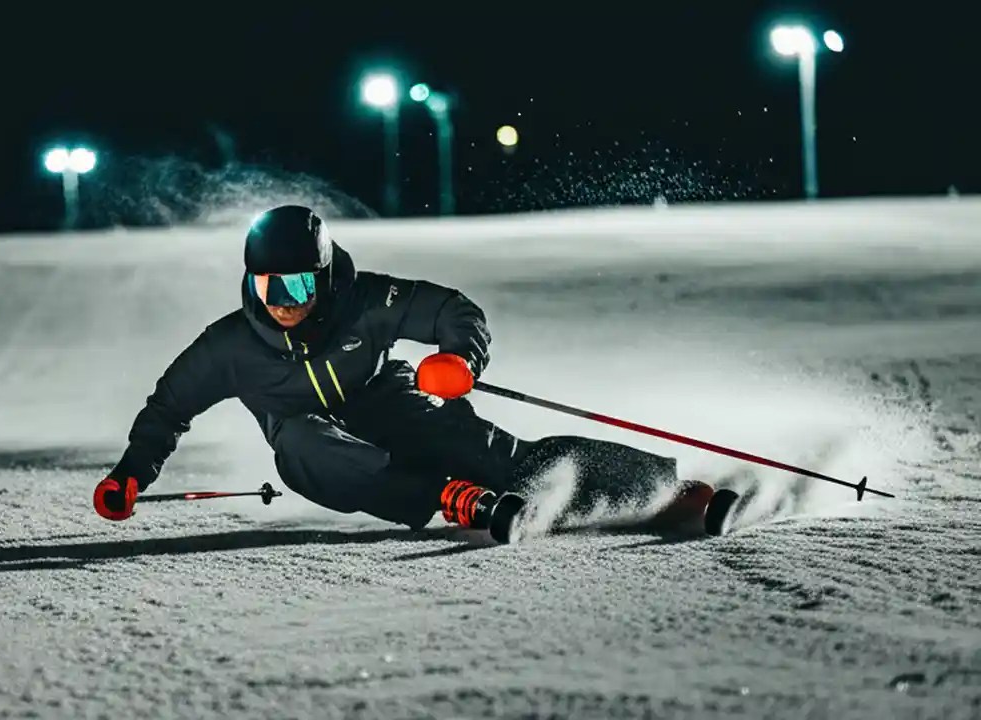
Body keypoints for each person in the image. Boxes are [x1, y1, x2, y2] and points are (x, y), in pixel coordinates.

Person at [93, 204, 681, 532]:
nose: (283, 298)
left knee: (501, 457)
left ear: (323, 278)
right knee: (301, 441)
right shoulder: (229, 346)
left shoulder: (365, 301)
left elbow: (454, 310)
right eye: (268, 283)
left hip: (393, 405)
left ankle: (666, 490)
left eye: (298, 283)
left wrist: (457, 359)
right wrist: (131, 474)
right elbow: (167, 409)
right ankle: (451, 497)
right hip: (324, 454)